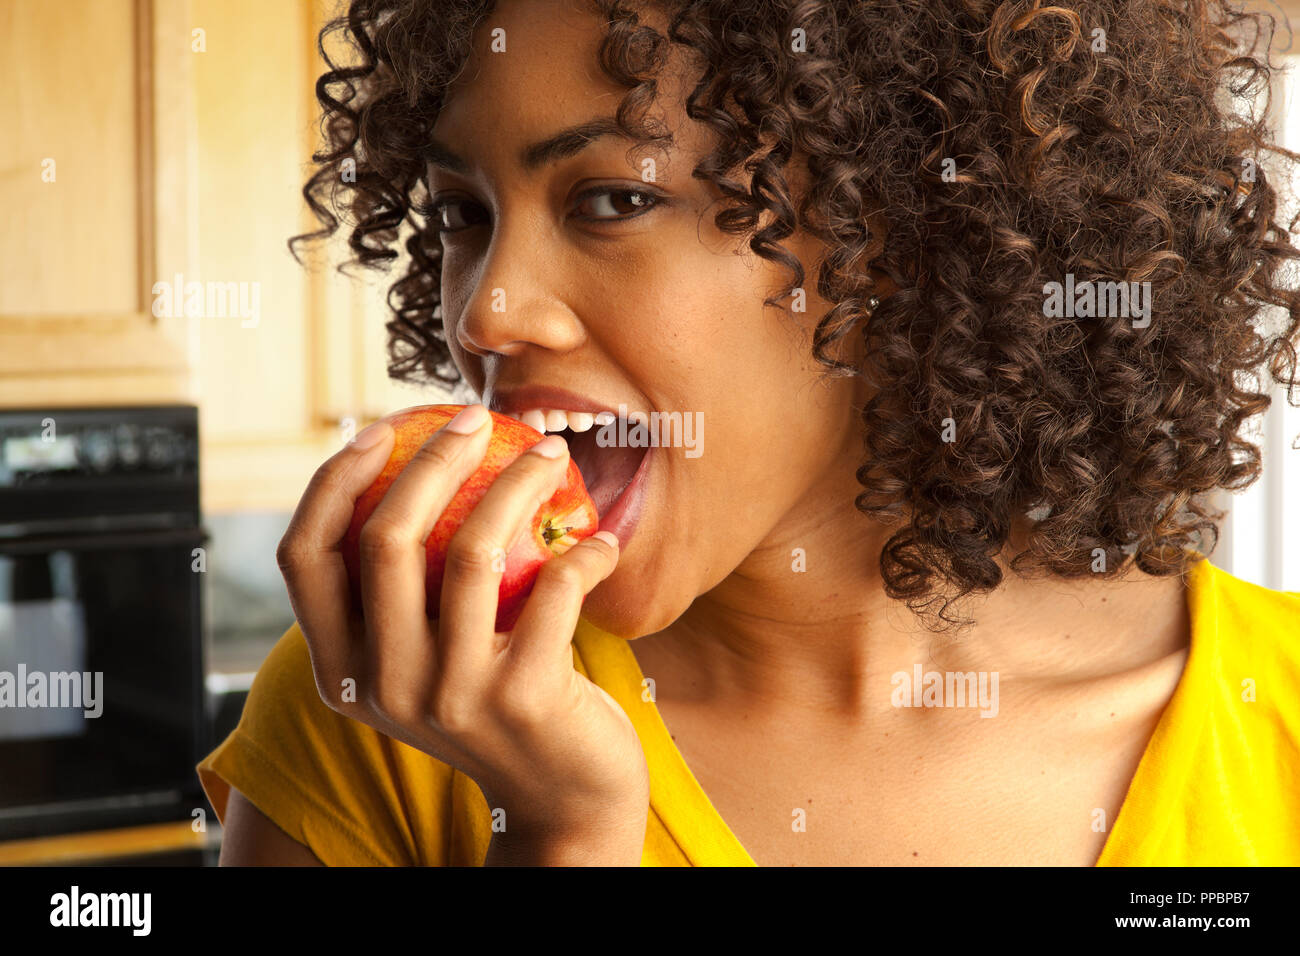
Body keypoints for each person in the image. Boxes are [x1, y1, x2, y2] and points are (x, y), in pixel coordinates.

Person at [198, 0, 1300, 865]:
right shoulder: (393, 701)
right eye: (463, 215)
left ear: (900, 239)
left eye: (613, 200)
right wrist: (562, 837)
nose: (485, 311)